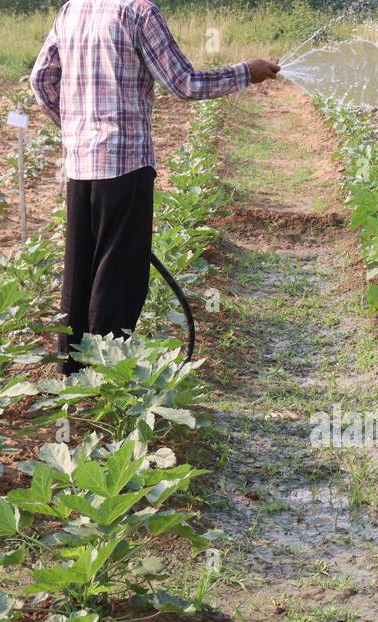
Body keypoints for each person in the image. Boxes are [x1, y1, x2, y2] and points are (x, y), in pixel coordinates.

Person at [30, 0, 280, 373]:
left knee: (80, 271)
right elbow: (185, 83)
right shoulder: (138, 12)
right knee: (119, 276)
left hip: (80, 165)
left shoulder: (72, 10)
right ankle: (105, 375)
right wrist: (248, 72)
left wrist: (75, 132)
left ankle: (71, 372)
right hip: (125, 165)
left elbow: (41, 79)